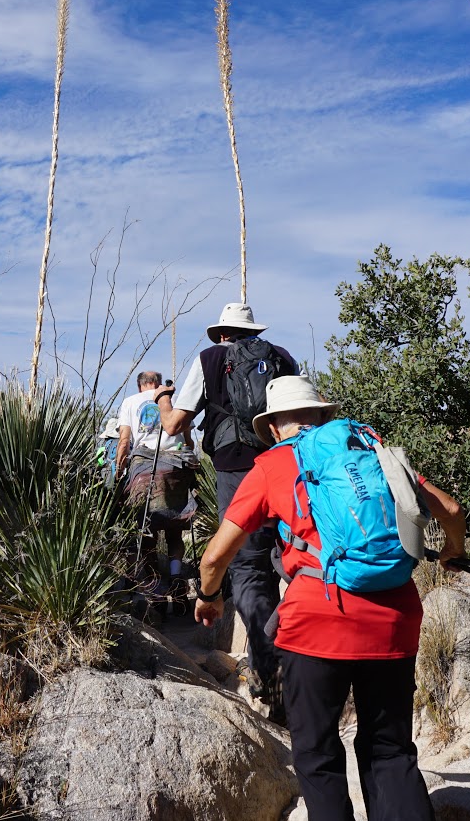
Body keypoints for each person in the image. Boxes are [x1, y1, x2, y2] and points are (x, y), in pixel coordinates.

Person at [194, 375, 466, 821]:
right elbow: (451, 510)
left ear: (274, 427)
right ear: (323, 415)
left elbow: (213, 558)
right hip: (393, 619)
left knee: (317, 752)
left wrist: (209, 597)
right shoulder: (369, 448)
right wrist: (453, 551)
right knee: (390, 750)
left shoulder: (271, 465)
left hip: (316, 624)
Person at [153, 302, 297, 711]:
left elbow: (174, 425)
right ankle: (304, 653)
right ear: (253, 331)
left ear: (221, 333)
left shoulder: (209, 358)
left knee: (249, 569)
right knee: (292, 559)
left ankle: (268, 673)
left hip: (236, 470)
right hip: (286, 466)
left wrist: (164, 399)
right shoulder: (283, 357)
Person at [116, 372, 195, 593]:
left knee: (145, 530)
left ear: (139, 385)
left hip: (144, 470)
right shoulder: (172, 399)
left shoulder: (130, 402)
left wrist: (120, 470)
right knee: (175, 528)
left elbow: (124, 441)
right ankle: (177, 575)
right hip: (175, 467)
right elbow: (188, 439)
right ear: (158, 384)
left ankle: (153, 587)